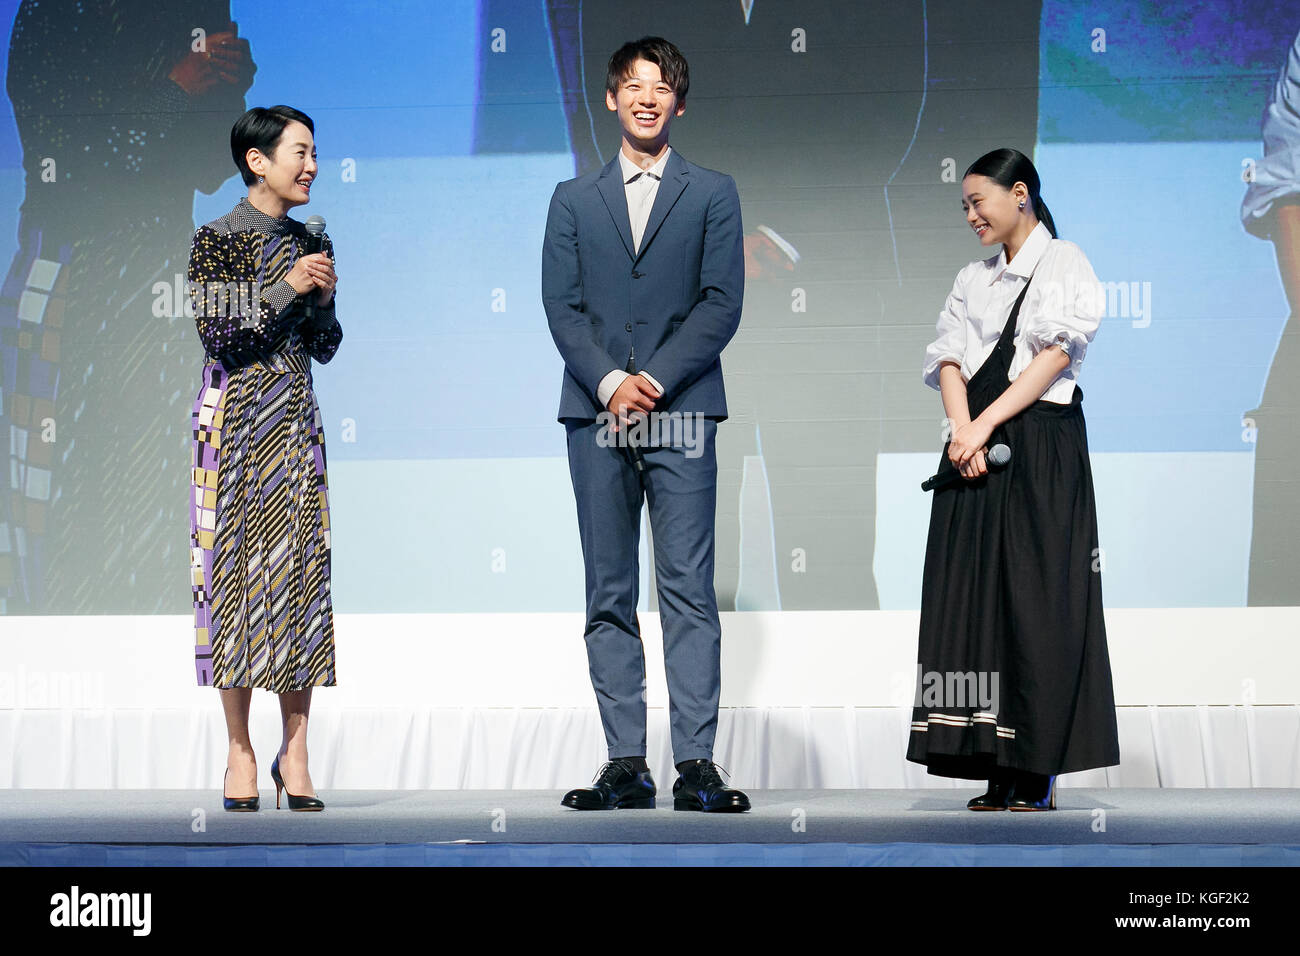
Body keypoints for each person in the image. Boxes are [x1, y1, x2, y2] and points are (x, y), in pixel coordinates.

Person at [542, 37, 750, 811]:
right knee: (609, 588)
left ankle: (696, 763)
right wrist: (608, 382)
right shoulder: (572, 198)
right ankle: (625, 762)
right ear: (610, 99)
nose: (646, 96)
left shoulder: (712, 192)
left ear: (679, 104)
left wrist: (653, 380)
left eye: (660, 87)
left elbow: (721, 302)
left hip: (683, 409)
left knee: (688, 588)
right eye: (632, 85)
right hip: (594, 413)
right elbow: (560, 307)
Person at [906, 148, 1120, 811]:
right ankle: (993, 761)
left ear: (1020, 193)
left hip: (1037, 448)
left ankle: (1035, 766)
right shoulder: (973, 277)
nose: (970, 214)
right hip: (973, 448)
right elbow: (946, 355)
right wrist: (961, 429)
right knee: (974, 604)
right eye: (964, 205)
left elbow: (1053, 359)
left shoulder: (1066, 263)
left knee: (1036, 603)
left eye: (979, 201)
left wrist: (980, 426)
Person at [187, 106, 341, 812]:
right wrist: (291, 286)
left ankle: (298, 750)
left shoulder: (313, 238)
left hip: (293, 425)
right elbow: (221, 335)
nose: (311, 166)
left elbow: (326, 347)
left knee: (301, 587)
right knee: (237, 589)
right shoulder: (216, 240)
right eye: (300, 153)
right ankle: (241, 752)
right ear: (258, 161)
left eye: (314, 154)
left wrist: (325, 301)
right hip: (235, 428)